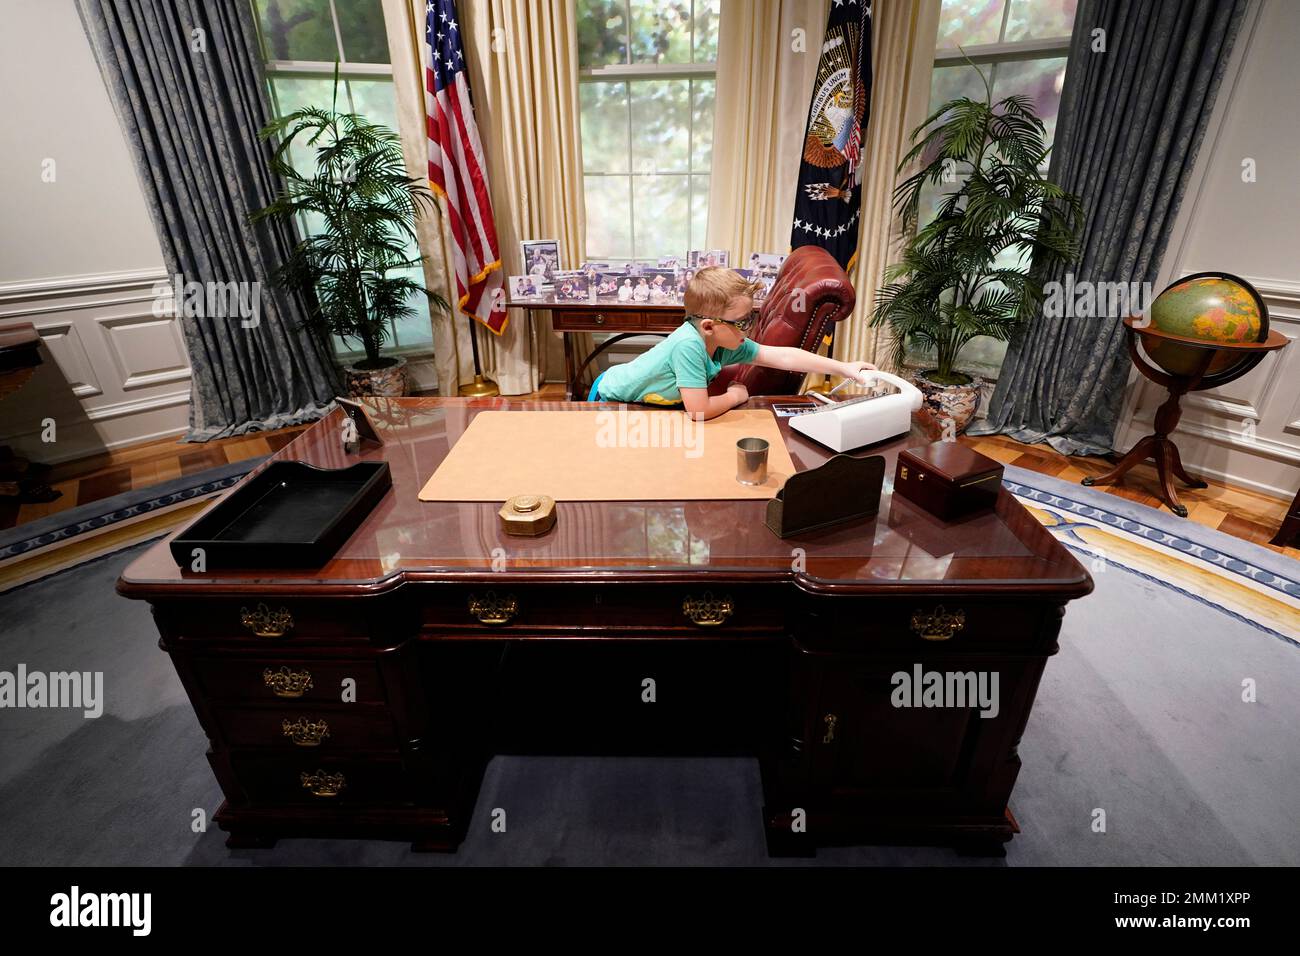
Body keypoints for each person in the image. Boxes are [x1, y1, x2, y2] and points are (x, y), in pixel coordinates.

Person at [588, 267, 874, 419]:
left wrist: (845, 367)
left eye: (750, 319)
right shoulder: (688, 345)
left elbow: (783, 357)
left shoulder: (726, 341)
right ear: (709, 326)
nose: (748, 331)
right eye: (742, 322)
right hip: (611, 397)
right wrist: (737, 396)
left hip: (645, 400)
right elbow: (698, 411)